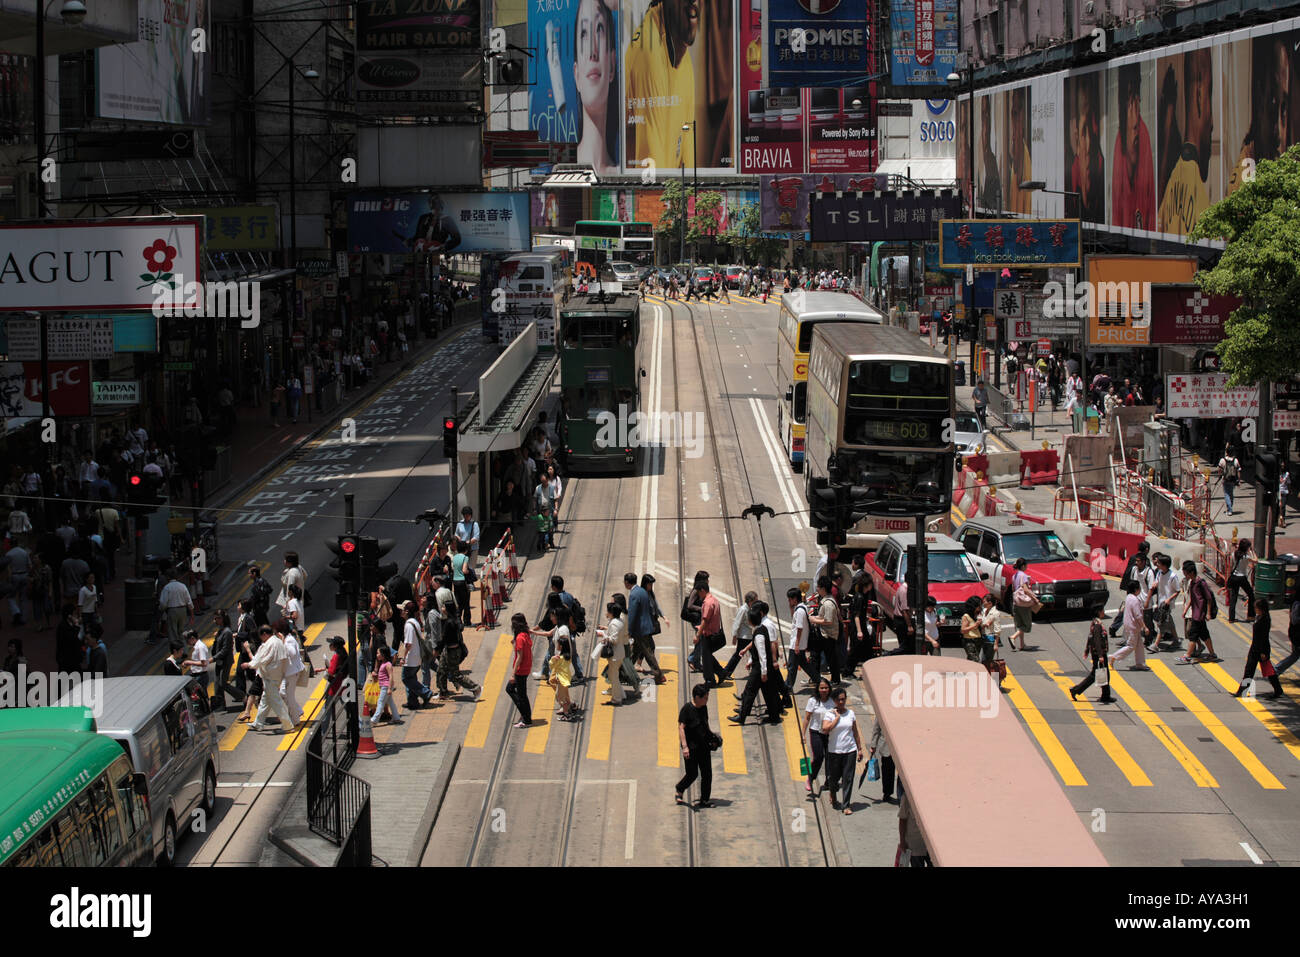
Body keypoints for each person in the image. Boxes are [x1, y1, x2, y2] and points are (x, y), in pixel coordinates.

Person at [625, 0, 699, 168]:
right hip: (643, 189)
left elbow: (688, 154)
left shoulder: (683, 56)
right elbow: (651, 173)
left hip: (672, 188)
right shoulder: (648, 54)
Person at [1158, 48, 1214, 236]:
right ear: (1199, 96)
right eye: (1210, 95)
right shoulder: (1201, 199)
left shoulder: (1174, 178)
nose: (1212, 122)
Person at [729, 604, 782, 726]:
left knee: (750, 692)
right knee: (769, 693)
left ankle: (742, 717)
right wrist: (750, 661)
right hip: (763, 667)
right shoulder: (761, 629)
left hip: (760, 669)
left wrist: (763, 672)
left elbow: (762, 654)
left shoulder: (758, 634)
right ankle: (775, 717)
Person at [821, 686, 865, 814]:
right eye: (839, 700)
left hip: (849, 751)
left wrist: (860, 748)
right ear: (834, 701)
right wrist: (836, 718)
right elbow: (825, 729)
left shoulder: (851, 713)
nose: (841, 702)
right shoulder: (829, 714)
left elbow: (855, 732)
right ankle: (833, 794)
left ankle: (846, 805)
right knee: (833, 778)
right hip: (834, 752)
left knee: (848, 778)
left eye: (843, 699)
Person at [242, 625, 295, 732]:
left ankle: (288, 726)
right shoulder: (277, 641)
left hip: (271, 677)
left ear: (265, 634)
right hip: (275, 675)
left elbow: (263, 658)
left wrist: (249, 664)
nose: (261, 639)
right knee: (265, 701)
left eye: (261, 636)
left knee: (276, 702)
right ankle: (258, 723)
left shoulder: (270, 643)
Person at [675, 683, 717, 809]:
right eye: (705, 697)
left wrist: (712, 738)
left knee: (707, 774)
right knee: (692, 774)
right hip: (691, 748)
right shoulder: (687, 709)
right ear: (697, 697)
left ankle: (704, 800)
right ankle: (680, 789)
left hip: (703, 746)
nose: (707, 700)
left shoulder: (704, 707)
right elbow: (681, 728)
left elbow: (705, 725)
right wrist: (685, 747)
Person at [1232, 597, 1284, 699]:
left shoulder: (1265, 619)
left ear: (1261, 608)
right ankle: (1241, 691)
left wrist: (1263, 652)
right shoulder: (1259, 617)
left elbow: (1263, 637)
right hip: (1255, 648)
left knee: (1268, 671)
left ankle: (1278, 690)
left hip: (1261, 650)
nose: (1255, 609)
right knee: (1249, 670)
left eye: (1256, 608)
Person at [626, 573, 667, 684]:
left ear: (627, 583)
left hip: (640, 629)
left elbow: (632, 614)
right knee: (634, 652)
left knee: (648, 653)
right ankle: (624, 673)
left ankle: (659, 675)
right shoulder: (643, 592)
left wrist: (629, 631)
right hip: (646, 627)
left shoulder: (634, 594)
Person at [1179, 561, 1222, 664]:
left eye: (1185, 572)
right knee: (1204, 635)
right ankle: (1212, 654)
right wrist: (1186, 609)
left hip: (1200, 614)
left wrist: (1208, 613)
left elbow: (1208, 598)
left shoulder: (1201, 583)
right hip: (1195, 613)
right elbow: (1192, 598)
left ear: (1191, 572)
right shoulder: (1192, 583)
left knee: (1193, 635)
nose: (1184, 574)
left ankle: (1187, 656)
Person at [1071, 607, 1115, 703]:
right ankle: (1076, 690)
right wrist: (1100, 655)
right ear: (1099, 612)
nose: (1104, 612)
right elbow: (1097, 641)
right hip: (1099, 654)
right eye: (1103, 611)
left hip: (1098, 654)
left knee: (1101, 674)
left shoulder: (1096, 623)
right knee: (1097, 675)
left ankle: (1105, 695)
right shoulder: (1097, 625)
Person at [594, 601, 632, 705]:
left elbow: (614, 639)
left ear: (611, 612)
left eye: (607, 611)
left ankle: (616, 699)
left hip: (615, 654)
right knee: (612, 675)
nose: (606, 612)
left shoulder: (614, 623)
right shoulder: (618, 621)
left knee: (613, 677)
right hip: (619, 653)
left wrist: (603, 635)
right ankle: (621, 694)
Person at [400, 600, 434, 709]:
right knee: (412, 679)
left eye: (402, 610)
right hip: (417, 657)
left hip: (411, 658)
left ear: (406, 611)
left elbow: (408, 644)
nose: (400, 612)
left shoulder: (409, 625)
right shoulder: (415, 622)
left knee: (406, 678)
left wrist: (403, 658)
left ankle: (426, 693)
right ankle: (412, 702)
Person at [808, 576, 842, 684]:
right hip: (824, 633)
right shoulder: (825, 600)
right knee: (816, 655)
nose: (817, 589)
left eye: (818, 587)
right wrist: (815, 618)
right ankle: (815, 677)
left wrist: (814, 620)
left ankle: (835, 680)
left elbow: (828, 621)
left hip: (828, 635)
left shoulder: (828, 604)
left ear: (823, 588)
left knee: (831, 658)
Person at [693, 579, 726, 688]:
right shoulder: (714, 600)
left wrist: (698, 635)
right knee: (707, 656)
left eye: (698, 592)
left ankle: (710, 680)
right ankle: (721, 673)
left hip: (708, 634)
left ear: (702, 590)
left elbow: (705, 620)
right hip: (715, 633)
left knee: (706, 659)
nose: (698, 595)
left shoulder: (707, 603)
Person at [503, 613, 534, 728]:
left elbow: (519, 657)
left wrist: (513, 674)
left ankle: (526, 718)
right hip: (526, 667)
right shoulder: (525, 634)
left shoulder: (520, 637)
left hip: (521, 670)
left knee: (514, 691)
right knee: (521, 693)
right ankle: (526, 715)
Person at [210, 609, 244, 709]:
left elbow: (225, 649)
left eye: (216, 618)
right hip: (219, 661)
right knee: (217, 683)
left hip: (225, 661)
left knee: (223, 683)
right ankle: (220, 704)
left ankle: (242, 696)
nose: (214, 621)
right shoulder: (221, 630)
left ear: (222, 619)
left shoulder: (227, 632)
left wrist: (213, 659)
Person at [898, 782, 931, 866]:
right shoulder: (908, 797)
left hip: (931, 846)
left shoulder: (933, 797)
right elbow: (902, 819)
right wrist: (902, 841)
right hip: (915, 845)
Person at [158, 569, 193, 644]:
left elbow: (163, 603)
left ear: (168, 577)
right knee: (182, 631)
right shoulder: (182, 586)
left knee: (173, 633)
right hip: (183, 610)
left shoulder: (167, 588)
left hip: (172, 611)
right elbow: (189, 601)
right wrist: (192, 615)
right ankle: (184, 651)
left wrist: (161, 609)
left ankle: (177, 651)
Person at [549, 633, 578, 722]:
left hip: (561, 680)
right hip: (566, 679)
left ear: (561, 646)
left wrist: (552, 659)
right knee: (565, 696)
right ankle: (571, 707)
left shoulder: (559, 658)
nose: (557, 645)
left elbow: (552, 666)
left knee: (561, 698)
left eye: (558, 644)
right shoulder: (567, 656)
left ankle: (566, 715)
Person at [1008, 559, 1036, 652]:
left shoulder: (1014, 576)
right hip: (1023, 604)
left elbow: (1013, 589)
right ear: (1023, 566)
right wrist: (1035, 599)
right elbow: (1026, 590)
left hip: (1016, 602)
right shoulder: (1023, 576)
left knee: (1019, 624)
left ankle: (1022, 644)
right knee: (1026, 625)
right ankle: (1013, 637)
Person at [1226, 539, 1256, 623]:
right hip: (1242, 578)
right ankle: (1251, 616)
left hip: (1234, 577)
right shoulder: (1246, 556)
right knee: (1251, 594)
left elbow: (1231, 566)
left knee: (1233, 598)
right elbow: (1256, 560)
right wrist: (1252, 551)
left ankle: (1231, 618)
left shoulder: (1234, 554)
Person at [370, 645, 402, 724]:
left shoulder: (388, 664)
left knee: (380, 702)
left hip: (385, 686)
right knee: (390, 702)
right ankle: (396, 717)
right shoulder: (383, 663)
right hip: (384, 686)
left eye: (378, 653)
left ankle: (374, 719)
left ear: (383, 655)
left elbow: (391, 677)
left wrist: (389, 688)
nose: (377, 655)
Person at [1274, 590, 1300, 678]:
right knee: (1295, 655)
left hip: (1295, 633)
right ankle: (1277, 669)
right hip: (1297, 635)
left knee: (1295, 655)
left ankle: (1277, 669)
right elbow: (1295, 620)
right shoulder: (1298, 604)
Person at [868, 718, 895, 802]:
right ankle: (887, 793)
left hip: (901, 747)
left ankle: (902, 795)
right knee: (887, 771)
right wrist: (873, 745)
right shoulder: (881, 712)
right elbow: (876, 729)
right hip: (886, 747)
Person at [451, 540, 473, 628]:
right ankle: (467, 621)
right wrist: (468, 571)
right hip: (462, 581)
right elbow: (464, 570)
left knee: (458, 601)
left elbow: (453, 568)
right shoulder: (465, 557)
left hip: (455, 581)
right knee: (466, 601)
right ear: (466, 550)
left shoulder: (455, 557)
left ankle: (458, 620)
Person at [959, 595, 983, 662]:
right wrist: (975, 625)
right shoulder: (966, 616)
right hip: (969, 640)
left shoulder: (978, 614)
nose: (981, 607)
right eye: (979, 605)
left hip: (978, 639)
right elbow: (963, 630)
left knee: (972, 659)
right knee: (975, 660)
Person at [1218, 447, 1242, 516]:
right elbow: (1239, 470)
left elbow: (1219, 469)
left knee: (1227, 494)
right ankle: (1230, 507)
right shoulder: (1235, 460)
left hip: (1225, 479)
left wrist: (1220, 476)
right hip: (1233, 480)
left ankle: (1229, 510)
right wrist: (1239, 480)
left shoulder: (1222, 460)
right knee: (1231, 494)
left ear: (1227, 452)